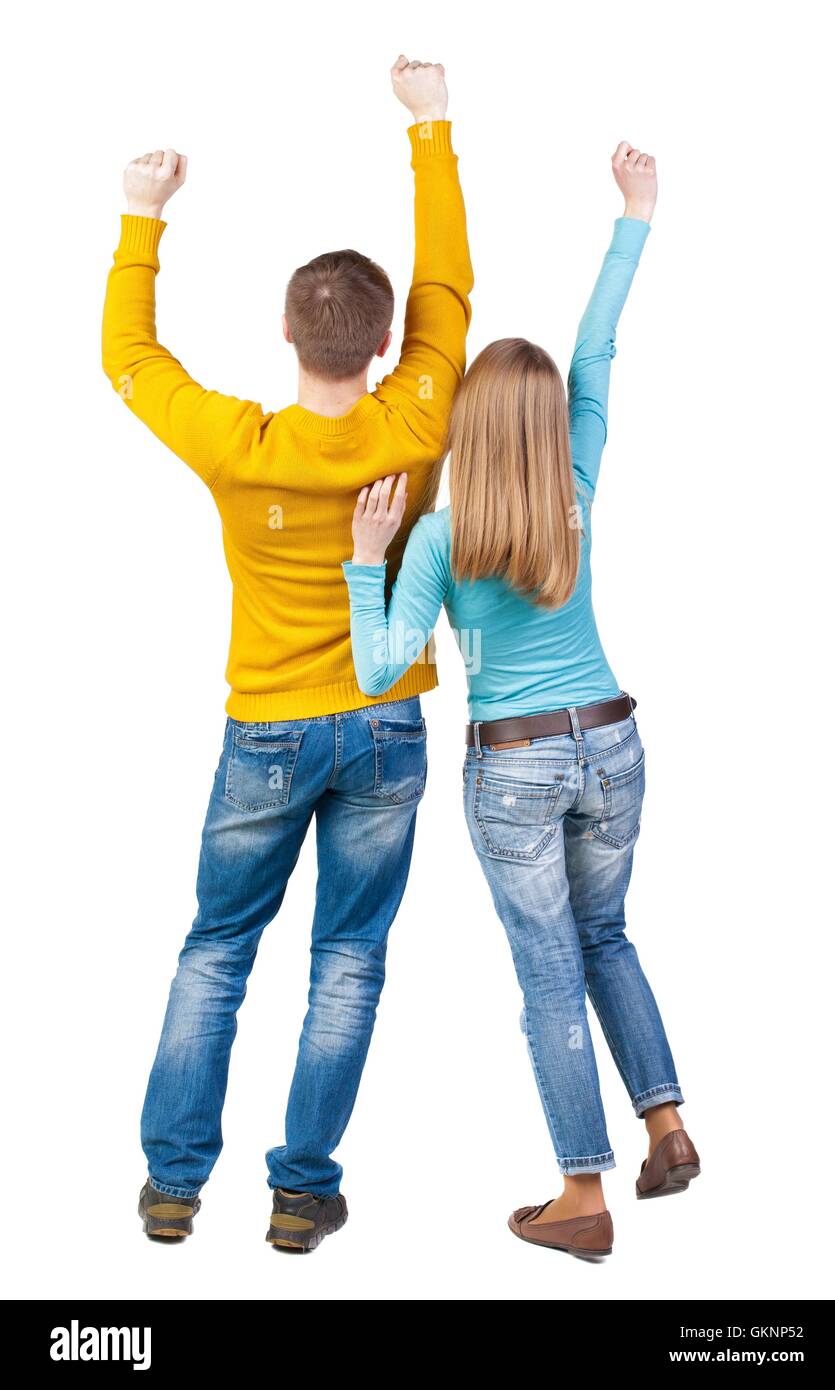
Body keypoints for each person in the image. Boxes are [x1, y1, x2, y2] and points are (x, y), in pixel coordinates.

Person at [101, 56, 473, 1252]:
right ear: (382, 345)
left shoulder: (235, 444)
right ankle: (301, 1189)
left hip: (263, 726)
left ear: (283, 332)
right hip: (384, 726)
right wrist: (428, 127)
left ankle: (171, 1187)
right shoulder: (416, 415)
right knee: (348, 958)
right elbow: (448, 289)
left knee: (217, 947)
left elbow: (131, 361)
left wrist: (141, 218)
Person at [344, 143, 699, 1260]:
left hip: (517, 767)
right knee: (608, 936)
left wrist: (365, 559)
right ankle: (667, 1121)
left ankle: (582, 1194)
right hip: (614, 740)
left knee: (549, 967)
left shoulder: (443, 537)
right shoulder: (575, 493)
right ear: (543, 425)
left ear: (466, 426)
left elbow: (377, 665)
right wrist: (632, 215)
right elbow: (592, 354)